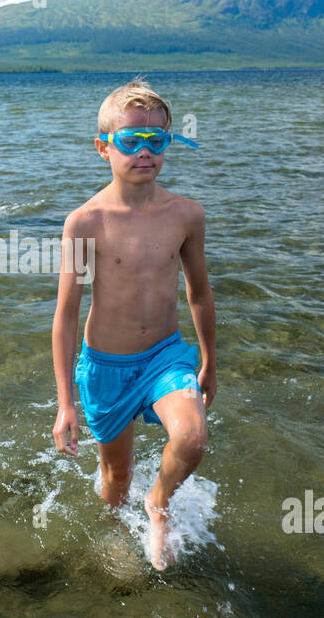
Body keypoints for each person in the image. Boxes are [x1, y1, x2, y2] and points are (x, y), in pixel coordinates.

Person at [51, 76, 216, 570]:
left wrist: (210, 362)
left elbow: (200, 292)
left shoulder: (185, 215)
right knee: (116, 477)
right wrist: (65, 403)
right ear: (103, 148)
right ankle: (112, 540)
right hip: (106, 365)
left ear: (169, 144)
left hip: (167, 355)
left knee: (191, 438)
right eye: (130, 140)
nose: (144, 152)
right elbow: (65, 316)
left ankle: (159, 503)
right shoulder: (86, 222)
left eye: (156, 140)